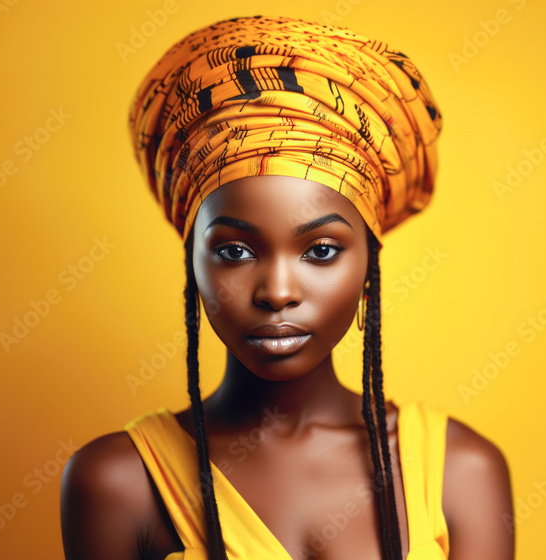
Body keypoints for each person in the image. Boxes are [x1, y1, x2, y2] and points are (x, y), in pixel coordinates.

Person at [61, 14, 514, 560]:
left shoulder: (460, 472)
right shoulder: (117, 482)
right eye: (235, 251)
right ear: (193, 261)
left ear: (368, 261)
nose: (277, 291)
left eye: (320, 251)